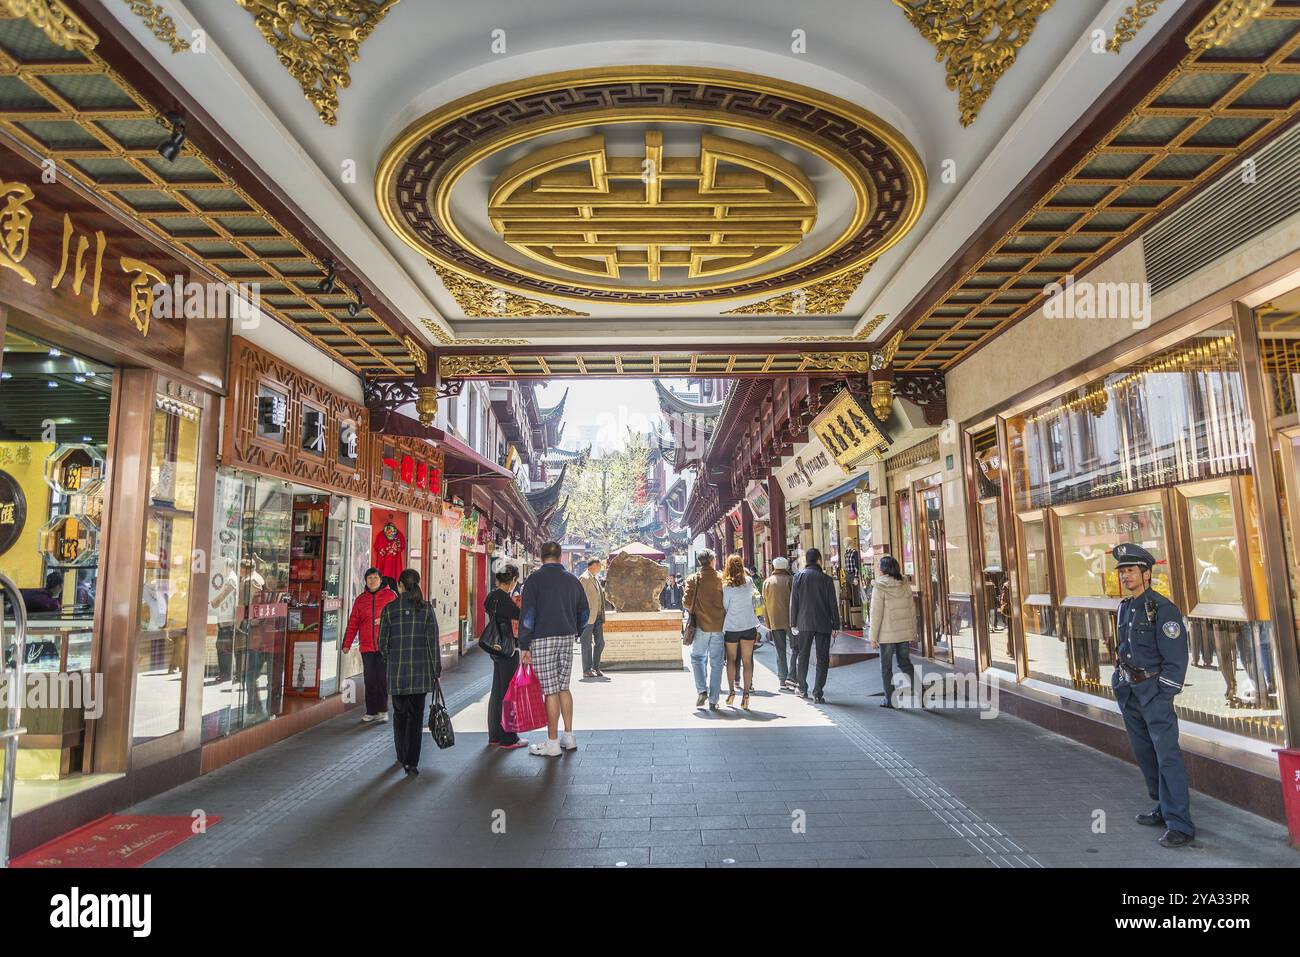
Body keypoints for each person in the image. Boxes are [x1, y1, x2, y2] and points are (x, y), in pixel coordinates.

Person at [1110, 544, 1194, 848]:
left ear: (1146, 573)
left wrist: (1163, 694)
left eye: (1131, 570)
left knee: (1167, 756)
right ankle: (1162, 806)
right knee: (1146, 755)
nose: (1126, 576)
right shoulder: (1125, 607)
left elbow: (1176, 658)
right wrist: (1118, 680)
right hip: (1130, 692)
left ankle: (1180, 824)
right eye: (1123, 571)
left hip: (1154, 694)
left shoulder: (1162, 608)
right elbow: (1123, 648)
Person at [519, 541, 589, 757]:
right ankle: (568, 736)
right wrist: (576, 630)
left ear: (541, 557)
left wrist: (524, 644)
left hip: (543, 638)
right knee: (563, 687)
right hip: (567, 636)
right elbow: (584, 612)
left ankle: (552, 742)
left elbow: (528, 615)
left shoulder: (534, 580)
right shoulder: (572, 580)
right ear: (560, 557)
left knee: (549, 690)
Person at [378, 568, 441, 775]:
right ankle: (411, 762)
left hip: (397, 673)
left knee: (399, 714)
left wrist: (392, 660)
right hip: (420, 673)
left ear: (400, 585)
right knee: (415, 718)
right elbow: (433, 643)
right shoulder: (426, 609)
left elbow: (382, 644)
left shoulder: (389, 609)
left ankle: (400, 755)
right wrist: (435, 669)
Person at [342, 566, 396, 723]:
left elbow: (398, 618)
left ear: (381, 579)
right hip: (366, 647)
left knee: (382, 679)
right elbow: (353, 623)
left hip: (384, 646)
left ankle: (383, 710)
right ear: (365, 580)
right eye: (369, 578)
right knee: (369, 679)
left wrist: (384, 621)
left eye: (375, 578)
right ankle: (371, 711)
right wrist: (347, 643)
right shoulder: (360, 600)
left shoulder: (390, 596)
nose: (372, 581)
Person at [788, 547, 840, 703]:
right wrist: (836, 625)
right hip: (823, 623)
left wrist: (793, 622)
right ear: (818, 560)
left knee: (803, 655)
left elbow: (794, 602)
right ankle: (818, 692)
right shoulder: (827, 580)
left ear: (806, 561)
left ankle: (802, 688)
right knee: (822, 657)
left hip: (804, 623)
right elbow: (833, 604)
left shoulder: (798, 577)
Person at [484, 564, 526, 749]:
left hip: (495, 648)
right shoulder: (505, 600)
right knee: (508, 692)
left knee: (497, 691)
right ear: (513, 581)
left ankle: (494, 735)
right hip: (508, 649)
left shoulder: (491, 597)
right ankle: (509, 737)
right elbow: (520, 616)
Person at [869, 556, 919, 708]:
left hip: (886, 635)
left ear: (883, 569)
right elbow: (912, 610)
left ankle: (890, 700)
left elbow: (875, 613)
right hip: (903, 634)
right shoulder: (904, 584)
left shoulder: (879, 586)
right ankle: (922, 693)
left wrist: (873, 637)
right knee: (905, 663)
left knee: (886, 667)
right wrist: (913, 633)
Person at [683, 549, 726, 711]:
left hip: (700, 625)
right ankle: (714, 700)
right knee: (716, 663)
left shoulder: (693, 579)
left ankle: (702, 690)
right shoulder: (722, 578)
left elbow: (686, 602)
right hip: (719, 626)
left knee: (697, 658)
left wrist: (699, 609)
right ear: (713, 560)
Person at [720, 554, 761, 710]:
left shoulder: (726, 586)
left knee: (730, 659)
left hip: (732, 626)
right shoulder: (749, 582)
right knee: (747, 661)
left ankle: (731, 692)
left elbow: (725, 606)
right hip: (749, 625)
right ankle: (746, 695)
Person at [763, 557, 794, 689]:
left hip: (774, 620)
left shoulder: (767, 582)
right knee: (796, 648)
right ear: (786, 567)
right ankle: (792, 676)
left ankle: (782, 679)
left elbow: (764, 604)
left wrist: (768, 623)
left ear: (774, 567)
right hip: (791, 620)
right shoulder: (791, 580)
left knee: (780, 650)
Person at [579, 558, 608, 679]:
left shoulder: (595, 578)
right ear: (593, 566)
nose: (601, 567)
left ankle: (596, 667)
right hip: (588, 617)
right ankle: (587, 669)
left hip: (598, 616)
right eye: (599, 565)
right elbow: (579, 598)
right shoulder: (584, 578)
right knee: (586, 644)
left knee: (600, 642)